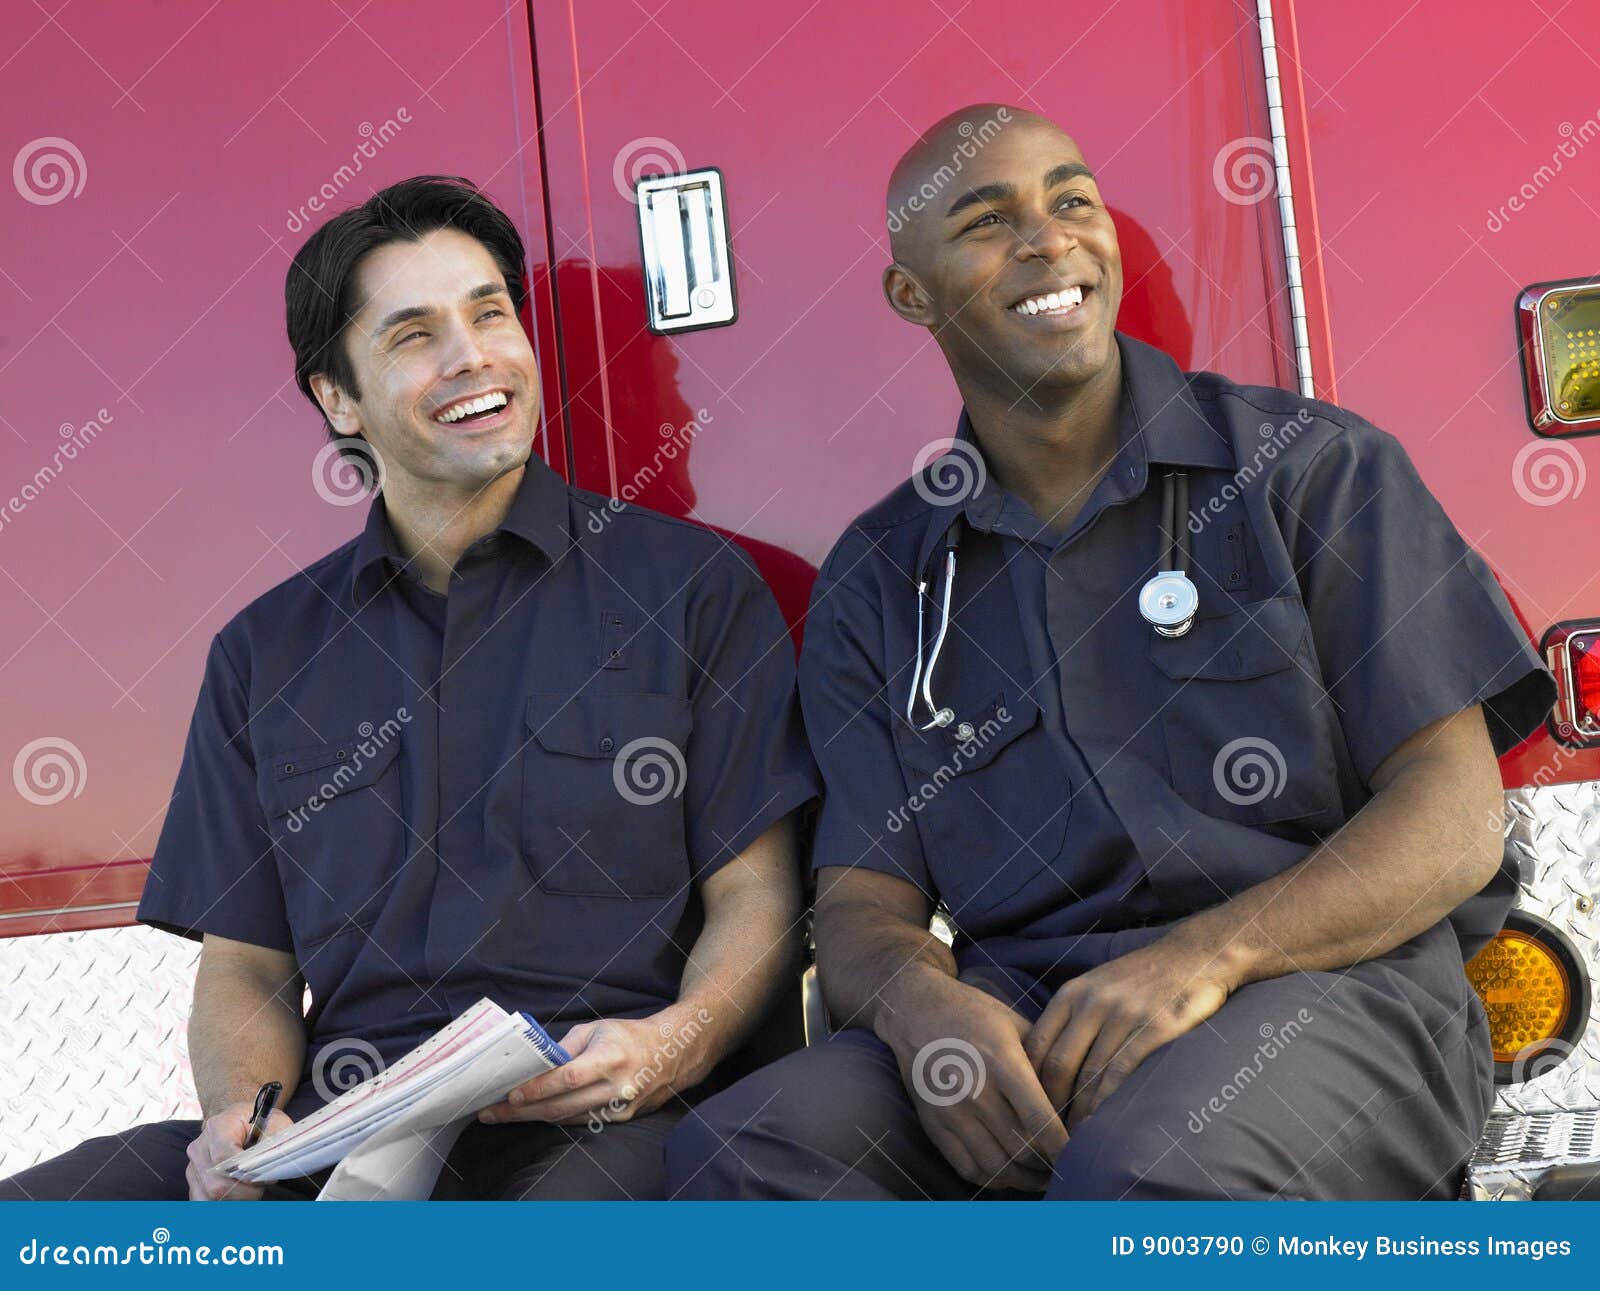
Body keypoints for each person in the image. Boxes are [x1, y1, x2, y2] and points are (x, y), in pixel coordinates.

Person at [665, 106, 1556, 1200]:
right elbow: (862, 906)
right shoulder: (883, 575)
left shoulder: (1308, 470)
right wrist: (919, 1007)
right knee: (741, 1155)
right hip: (1033, 1020)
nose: (1050, 241)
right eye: (990, 221)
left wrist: (1205, 958)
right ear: (914, 295)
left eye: (1073, 202)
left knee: (1147, 1176)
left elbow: (1456, 815)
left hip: (1331, 988)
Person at [0, 176, 817, 1202]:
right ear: (339, 400)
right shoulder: (264, 653)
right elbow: (247, 967)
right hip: (348, 1136)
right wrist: (239, 1125)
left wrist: (671, 1045)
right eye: (414, 334)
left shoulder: (692, 592)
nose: (473, 355)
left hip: (601, 1121)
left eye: (488, 313)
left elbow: (757, 893)